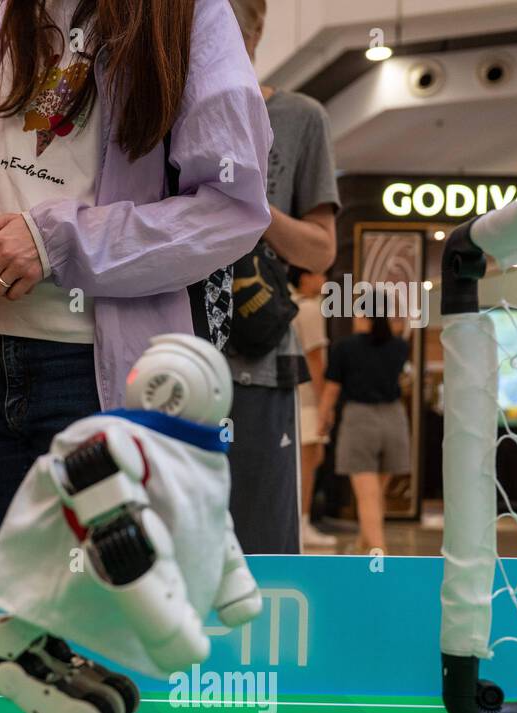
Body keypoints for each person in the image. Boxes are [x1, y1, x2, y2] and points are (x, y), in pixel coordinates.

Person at [0, 0, 271, 550]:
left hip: (103, 379)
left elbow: (230, 208)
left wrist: (57, 241)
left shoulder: (189, 17)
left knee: (104, 605)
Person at [0, 335, 262, 713]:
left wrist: (233, 584)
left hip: (112, 581)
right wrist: (166, 627)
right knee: (98, 710)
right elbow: (118, 531)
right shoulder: (112, 443)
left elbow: (210, 522)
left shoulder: (193, 453)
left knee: (118, 699)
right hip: (89, 576)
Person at [224, 0, 339, 555]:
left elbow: (320, 250)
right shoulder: (160, 114)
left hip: (259, 364)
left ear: (257, 30)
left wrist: (251, 206)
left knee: (262, 551)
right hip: (165, 358)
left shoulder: (299, 118)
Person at [319, 314, 411, 554]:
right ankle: (363, 542)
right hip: (394, 419)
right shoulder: (400, 346)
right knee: (376, 493)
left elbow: (331, 389)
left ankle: (380, 553)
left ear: (363, 316)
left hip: (359, 419)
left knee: (367, 495)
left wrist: (323, 417)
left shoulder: (344, 347)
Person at [291, 270, 337, 548]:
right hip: (307, 397)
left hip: (294, 395)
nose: (323, 280)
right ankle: (301, 522)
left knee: (310, 458)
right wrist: (324, 403)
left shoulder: (292, 305)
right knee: (308, 461)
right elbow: (315, 358)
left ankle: (300, 521)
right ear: (304, 277)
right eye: (318, 274)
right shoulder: (309, 309)